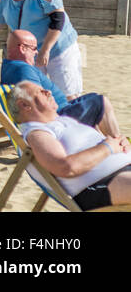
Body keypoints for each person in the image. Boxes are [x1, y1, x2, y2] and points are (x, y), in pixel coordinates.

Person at [8, 80, 131, 210]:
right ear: (24, 105)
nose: (48, 92)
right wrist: (107, 148)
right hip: (100, 184)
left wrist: (120, 143)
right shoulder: (37, 134)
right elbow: (65, 167)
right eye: (41, 92)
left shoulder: (61, 122)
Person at [2, 30, 119, 137]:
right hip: (58, 118)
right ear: (22, 48)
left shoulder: (11, 65)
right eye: (33, 48)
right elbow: (35, 102)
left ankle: (104, 144)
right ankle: (122, 146)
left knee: (93, 99)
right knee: (101, 102)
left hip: (62, 110)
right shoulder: (23, 70)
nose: (36, 52)